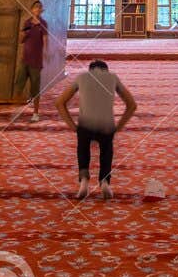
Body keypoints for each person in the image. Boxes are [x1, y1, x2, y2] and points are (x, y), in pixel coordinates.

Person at [56, 58, 137, 200]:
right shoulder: (113, 77)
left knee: (83, 149)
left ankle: (84, 182)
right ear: (106, 69)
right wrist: (119, 126)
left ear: (90, 70)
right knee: (106, 151)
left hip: (85, 125)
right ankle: (105, 182)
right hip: (106, 125)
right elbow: (132, 105)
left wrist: (73, 126)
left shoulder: (82, 77)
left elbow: (59, 102)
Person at [14, 0, 49, 119]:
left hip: (36, 61)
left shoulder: (43, 24)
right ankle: (18, 112)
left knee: (35, 88)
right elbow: (20, 41)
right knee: (19, 85)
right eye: (35, 7)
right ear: (31, 9)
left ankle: (35, 113)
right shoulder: (27, 23)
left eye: (40, 7)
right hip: (25, 59)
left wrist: (45, 53)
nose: (37, 9)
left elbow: (45, 39)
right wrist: (24, 34)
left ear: (42, 10)